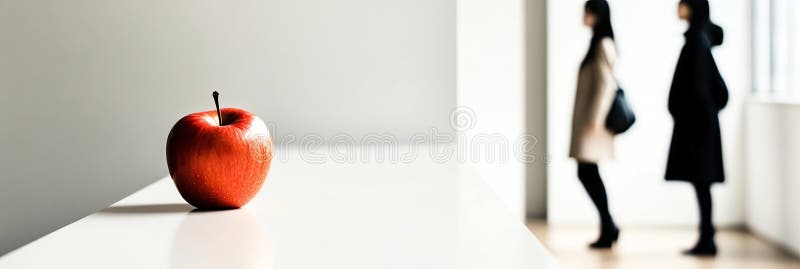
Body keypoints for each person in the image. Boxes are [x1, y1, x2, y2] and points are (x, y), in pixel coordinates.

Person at [667, 0, 728, 256]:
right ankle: (707, 235)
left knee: (702, 183)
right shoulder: (698, 41)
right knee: (701, 183)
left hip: (698, 131)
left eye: (682, 3)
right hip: (700, 128)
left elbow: (701, 91)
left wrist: (691, 119)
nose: (677, 7)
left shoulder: (697, 43)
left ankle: (707, 237)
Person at [569, 0, 619, 249]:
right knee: (589, 172)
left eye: (587, 12)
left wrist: (595, 120)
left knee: (587, 172)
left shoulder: (603, 44)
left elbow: (606, 85)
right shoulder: (597, 43)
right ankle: (608, 225)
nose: (583, 16)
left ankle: (608, 225)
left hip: (593, 125)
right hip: (590, 122)